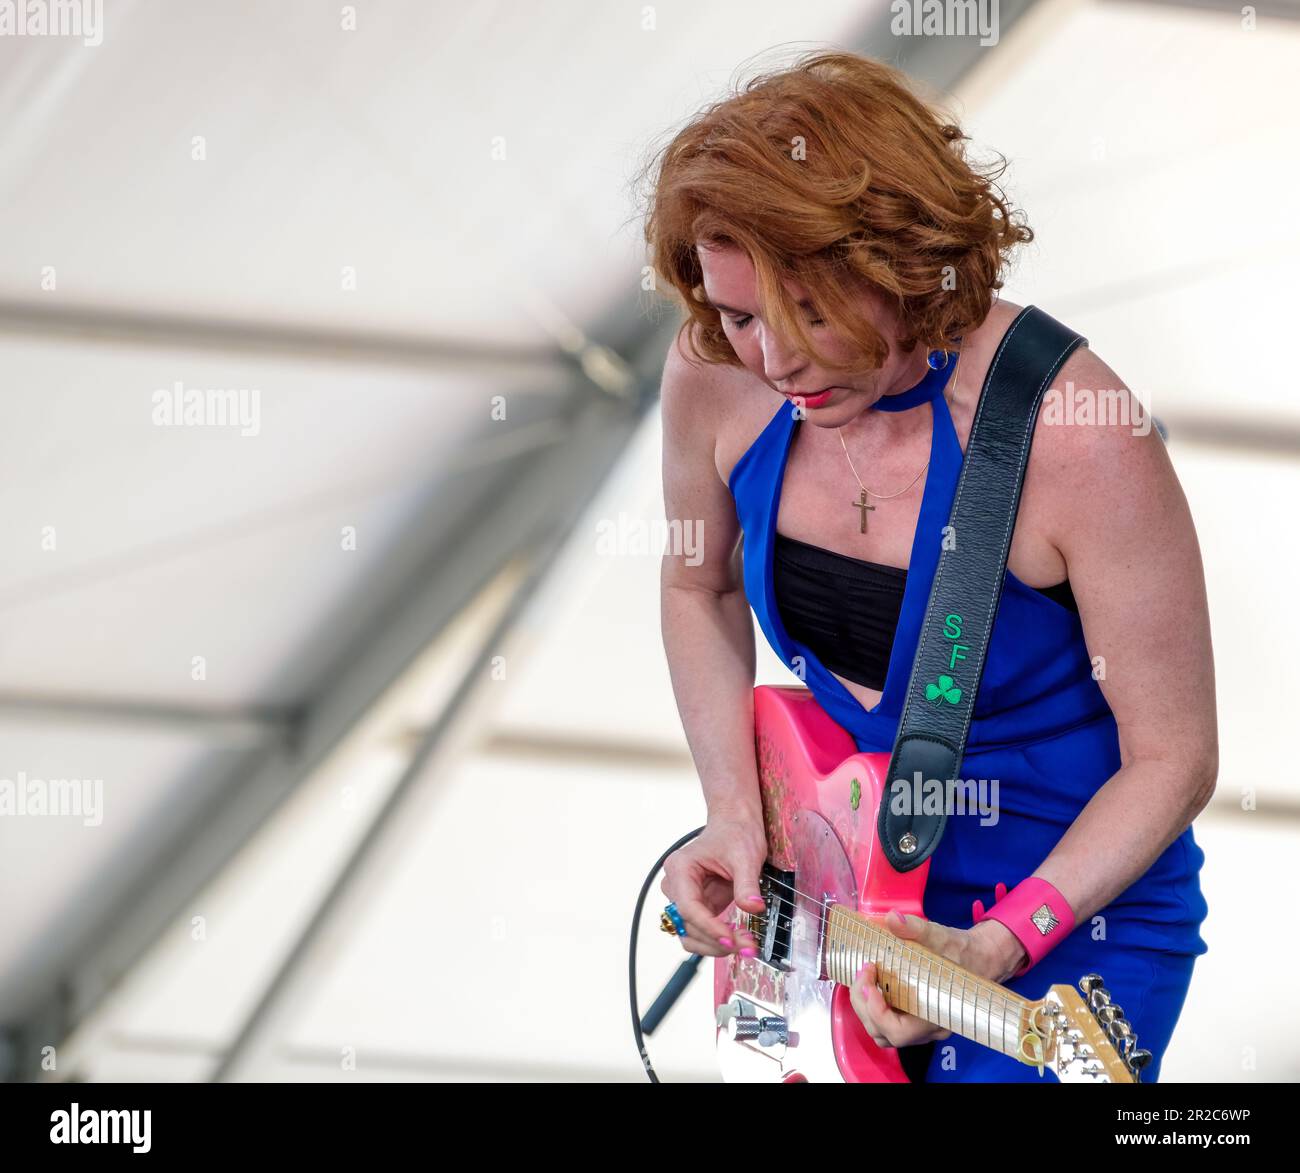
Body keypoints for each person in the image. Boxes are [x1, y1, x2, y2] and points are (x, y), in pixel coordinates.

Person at [645, 49, 1215, 1082]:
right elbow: (700, 583)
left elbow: (1172, 758)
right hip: (829, 905)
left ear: (899, 262)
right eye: (738, 316)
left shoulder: (1076, 433)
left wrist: (992, 948)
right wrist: (733, 814)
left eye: (810, 313)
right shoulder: (713, 375)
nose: (771, 363)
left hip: (1061, 927)